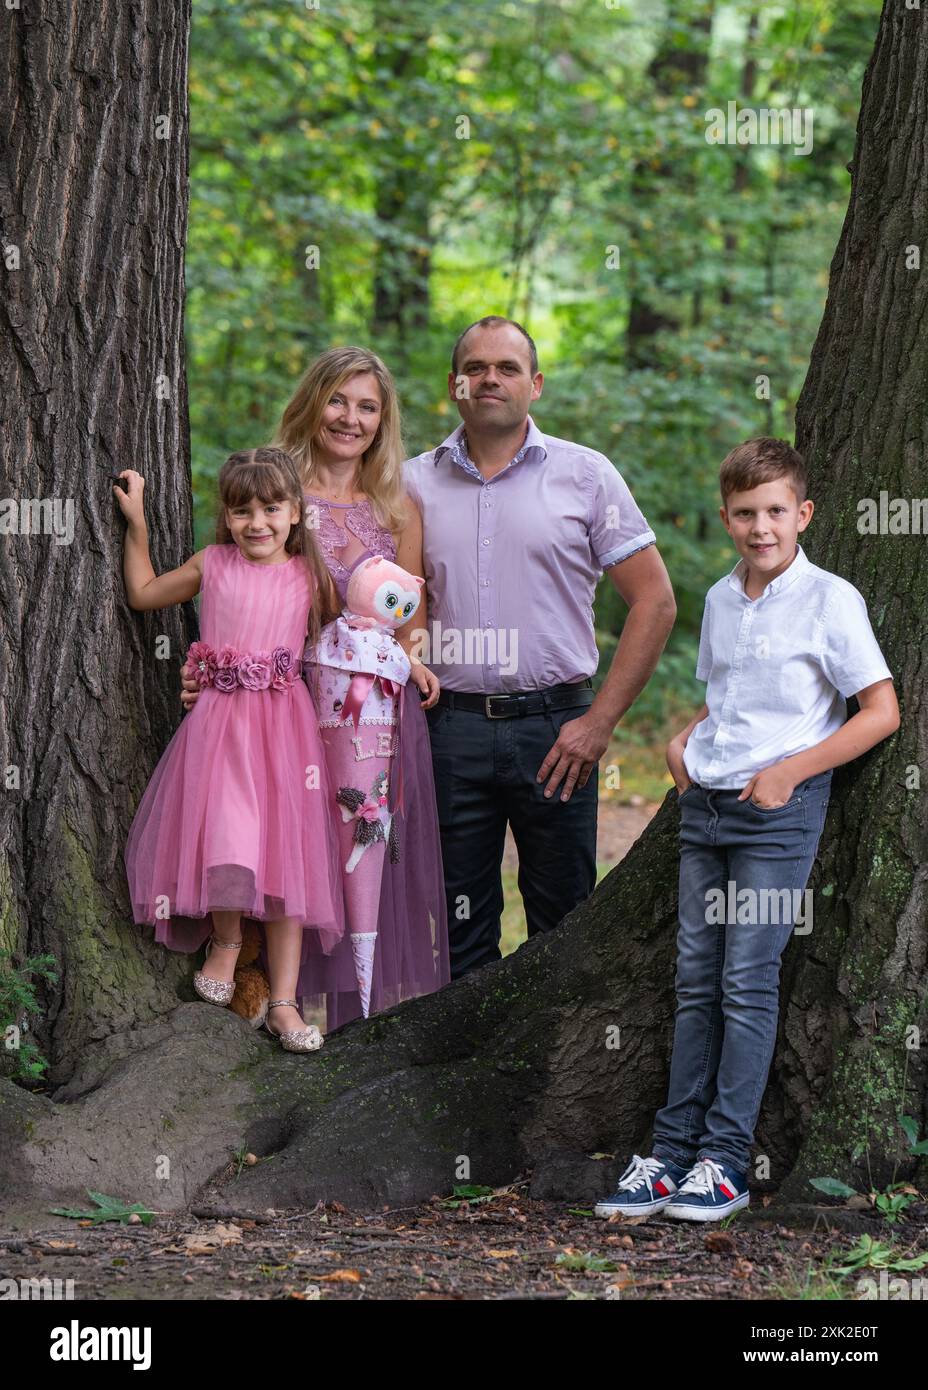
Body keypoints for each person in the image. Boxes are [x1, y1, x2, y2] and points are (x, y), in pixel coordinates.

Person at [595, 437, 899, 1222]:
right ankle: (668, 1157)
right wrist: (681, 743)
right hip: (707, 808)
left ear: (802, 514)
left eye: (774, 511)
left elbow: (880, 711)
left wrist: (791, 772)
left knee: (744, 983)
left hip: (776, 818)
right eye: (743, 513)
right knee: (694, 982)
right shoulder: (723, 599)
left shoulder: (831, 600)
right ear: (727, 517)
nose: (759, 527)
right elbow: (725, 699)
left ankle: (724, 1163)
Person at [181, 348, 450, 1028]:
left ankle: (356, 1011)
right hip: (279, 704)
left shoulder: (396, 507)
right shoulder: (272, 489)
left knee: (358, 844)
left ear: (383, 421)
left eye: (367, 407)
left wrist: (409, 657)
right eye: (338, 400)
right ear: (312, 402)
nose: (350, 418)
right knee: (280, 840)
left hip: (370, 710)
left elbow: (408, 617)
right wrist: (211, 673)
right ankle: (272, 996)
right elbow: (232, 584)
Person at [403, 315, 676, 978]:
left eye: (507, 367)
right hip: (449, 729)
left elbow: (655, 602)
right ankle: (467, 1075)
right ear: (454, 385)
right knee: (461, 923)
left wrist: (600, 723)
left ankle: (552, 1075)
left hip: (558, 733)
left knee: (564, 924)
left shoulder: (586, 476)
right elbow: (398, 604)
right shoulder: (412, 483)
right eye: (475, 367)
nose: (489, 378)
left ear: (536, 384)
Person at [116, 447, 346, 1053]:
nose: (257, 523)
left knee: (286, 855)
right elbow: (142, 593)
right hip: (219, 729)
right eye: (241, 510)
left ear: (295, 512)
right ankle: (225, 943)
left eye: (271, 508)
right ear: (226, 516)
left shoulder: (310, 577)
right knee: (226, 835)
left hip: (283, 732)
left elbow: (360, 633)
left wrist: (413, 659)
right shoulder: (211, 564)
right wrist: (137, 525)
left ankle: (284, 1001)